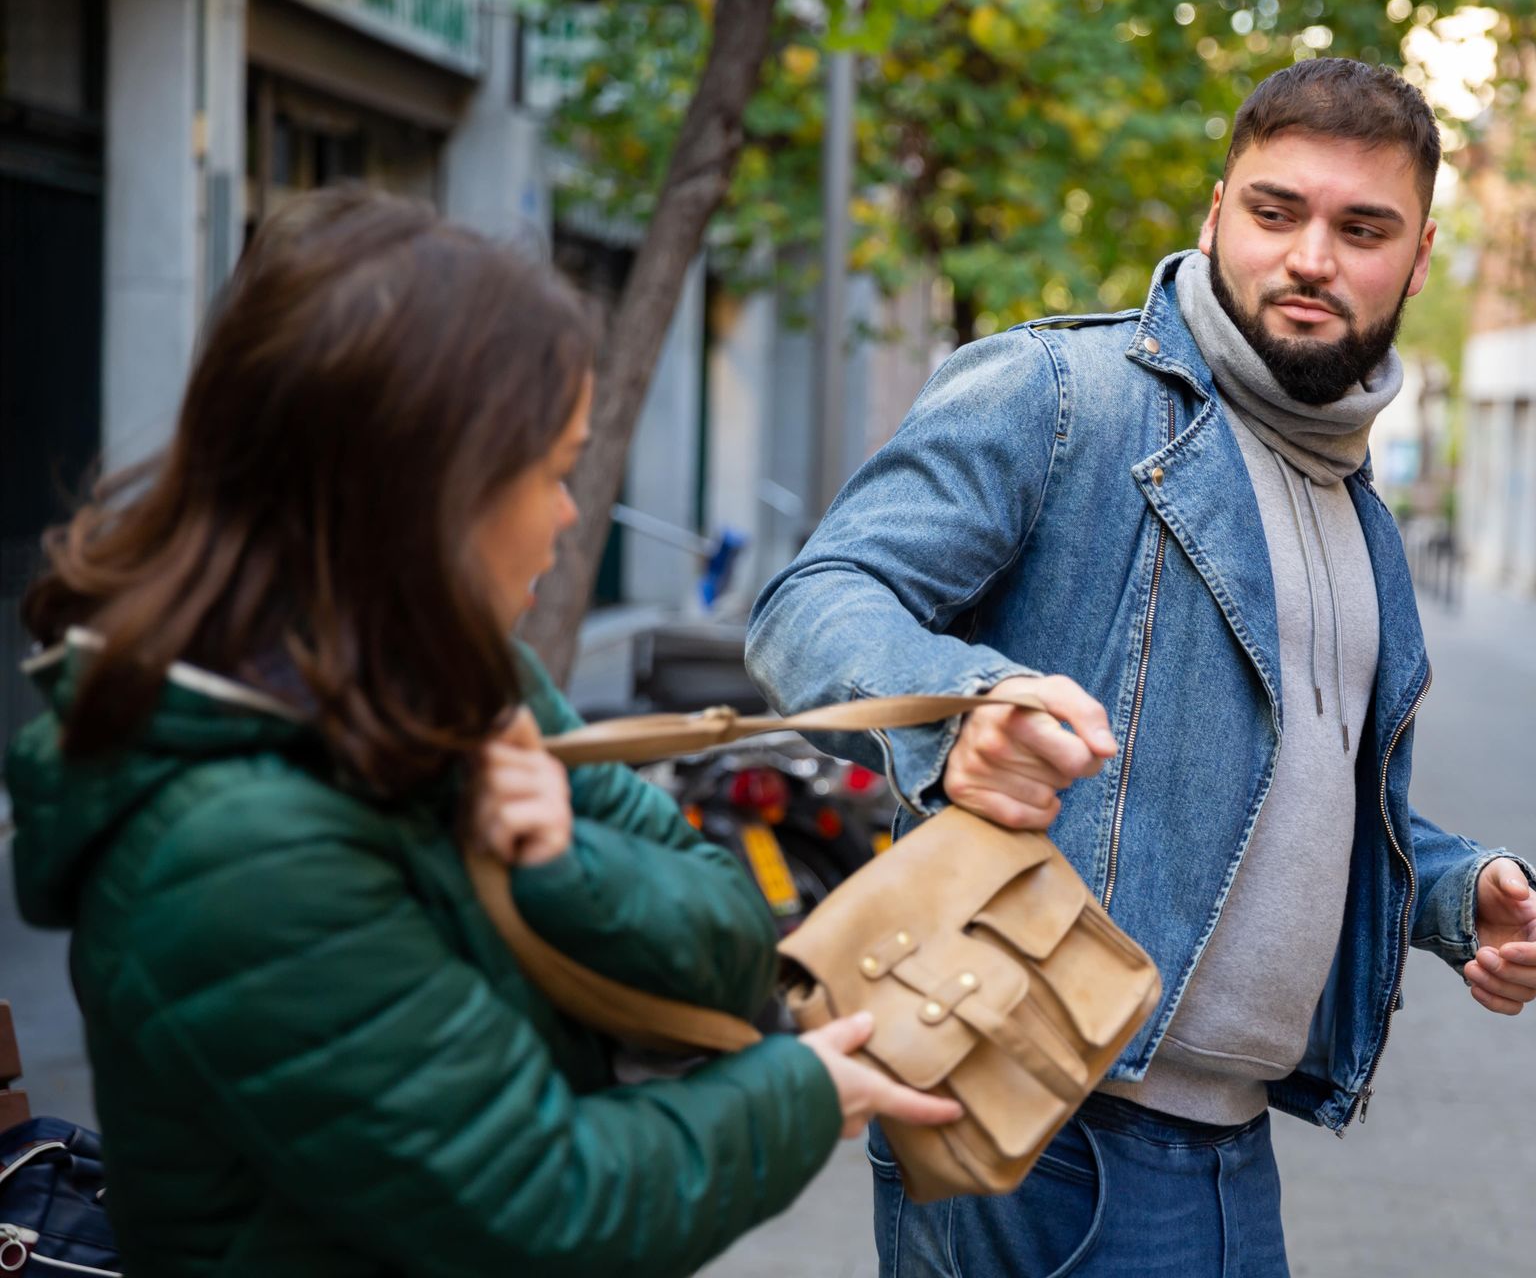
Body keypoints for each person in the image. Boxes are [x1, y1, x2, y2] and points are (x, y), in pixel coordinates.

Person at [3, 186, 959, 1277]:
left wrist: (567, 857)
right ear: (425, 487)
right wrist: (800, 1099)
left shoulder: (460, 675)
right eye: (552, 469)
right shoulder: (233, 849)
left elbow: (732, 926)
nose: (568, 514)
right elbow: (540, 1206)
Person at [747, 58, 1536, 1277]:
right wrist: (964, 706)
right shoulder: (1059, 392)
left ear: (1421, 255)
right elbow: (811, 602)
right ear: (1216, 211)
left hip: (1236, 1147)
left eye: (1361, 228)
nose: (1310, 257)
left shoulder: (1355, 502)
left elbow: (1285, 774)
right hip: (1036, 1117)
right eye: (1275, 210)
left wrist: (1456, 888)